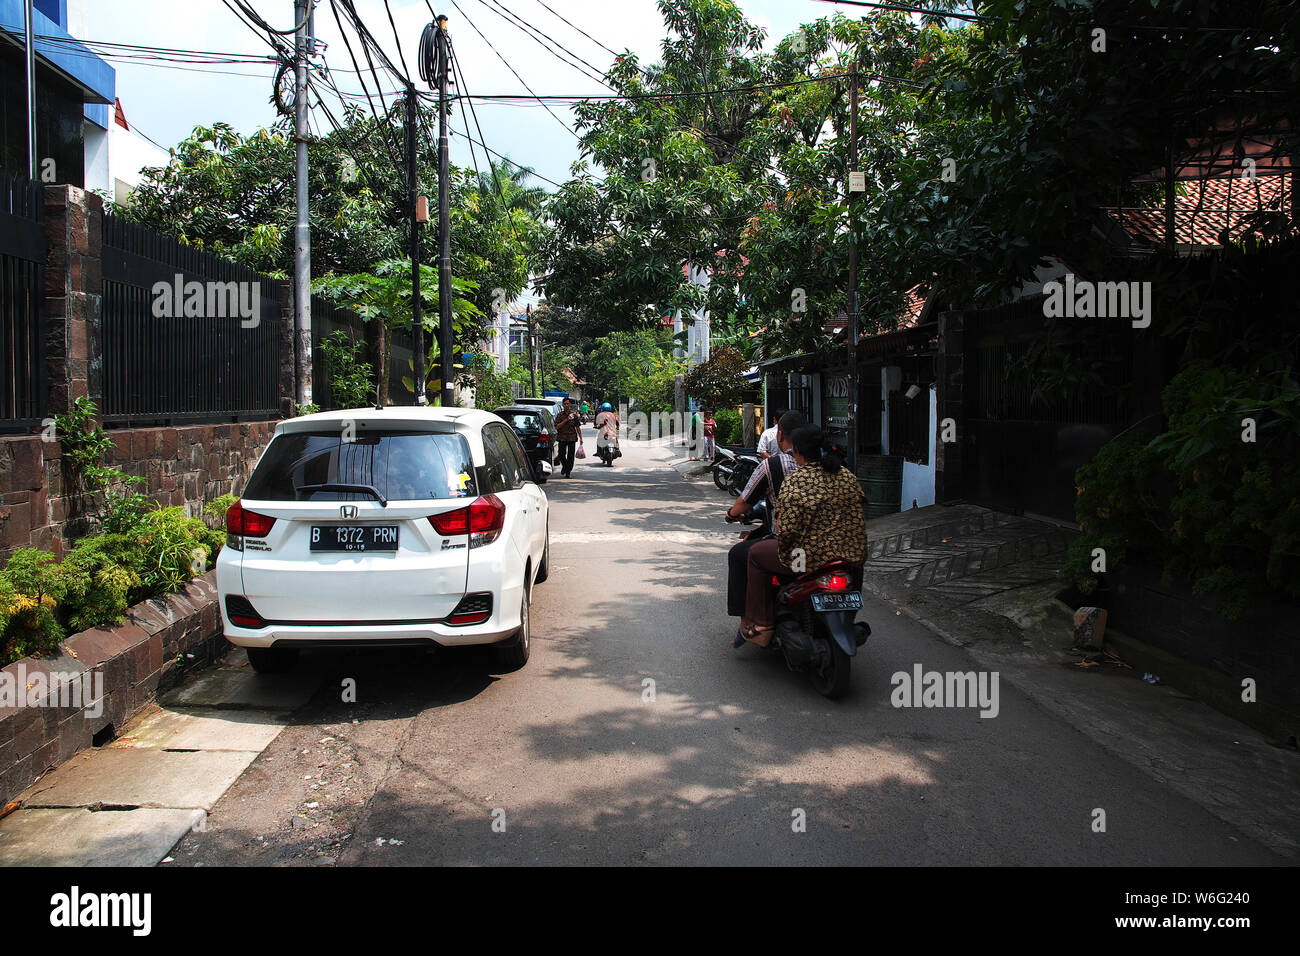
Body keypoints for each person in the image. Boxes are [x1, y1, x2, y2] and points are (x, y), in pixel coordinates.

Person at [739, 424, 866, 647]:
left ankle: (761, 624)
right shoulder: (847, 476)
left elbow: (787, 531)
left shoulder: (797, 481)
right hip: (849, 556)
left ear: (796, 451)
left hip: (806, 559)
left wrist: (785, 548)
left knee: (756, 554)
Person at [723, 410, 804, 628]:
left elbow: (745, 502)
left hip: (794, 549)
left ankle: (752, 622)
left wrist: (732, 514)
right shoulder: (833, 469)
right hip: (828, 548)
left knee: (742, 555)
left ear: (780, 435)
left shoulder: (776, 466)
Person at [554, 397, 582, 478]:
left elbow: (577, 427)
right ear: (563, 405)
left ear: (570, 404)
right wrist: (566, 420)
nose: (566, 405)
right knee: (561, 454)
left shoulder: (574, 415)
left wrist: (581, 438)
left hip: (571, 437)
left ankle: (568, 471)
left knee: (570, 456)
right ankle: (565, 467)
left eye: (568, 403)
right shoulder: (560, 415)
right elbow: (557, 426)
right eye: (565, 404)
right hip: (562, 437)